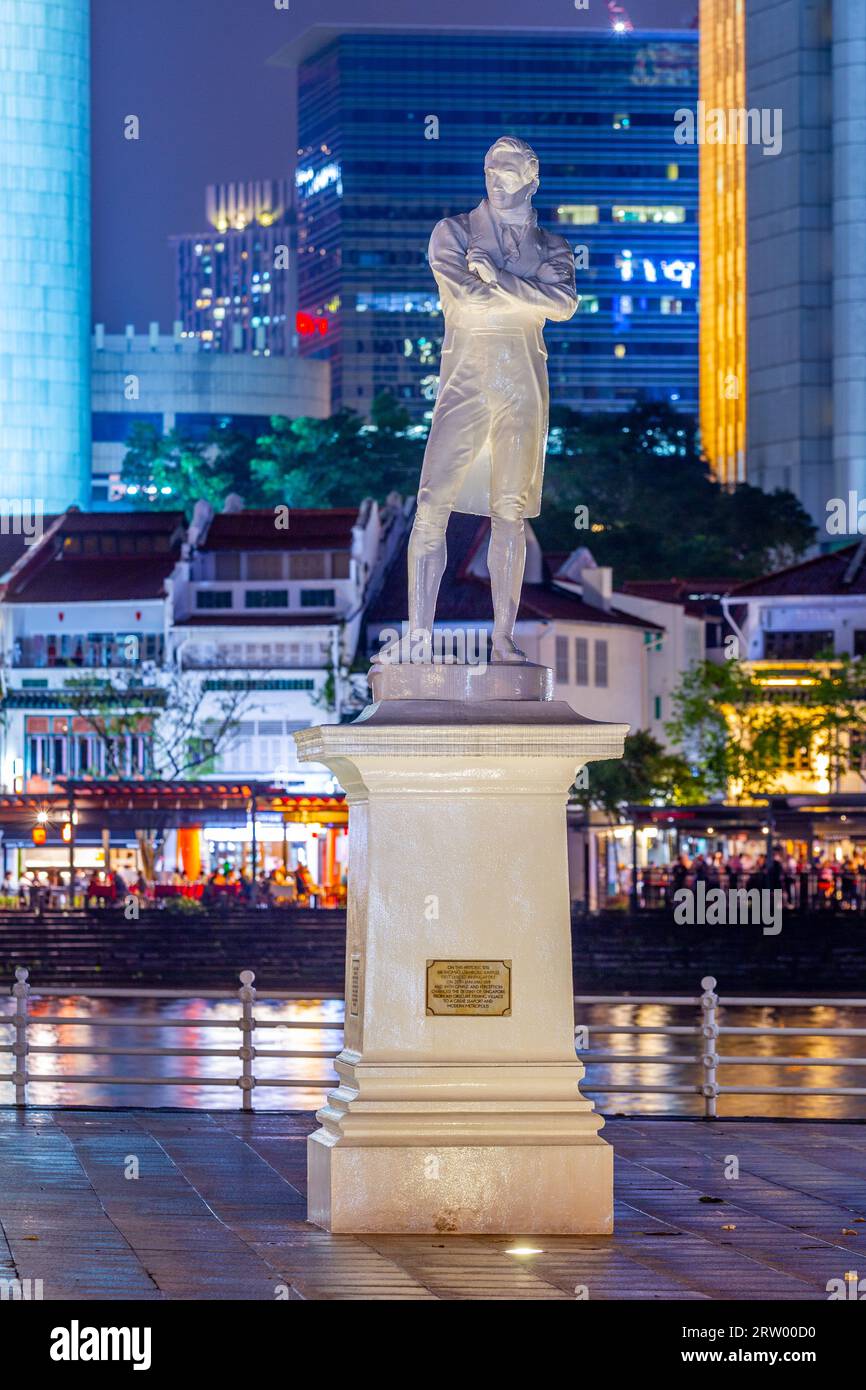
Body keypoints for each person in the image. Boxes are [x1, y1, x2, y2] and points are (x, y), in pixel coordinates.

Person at [374, 136, 578, 666]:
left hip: (523, 386)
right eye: (490, 167)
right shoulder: (454, 232)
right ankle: (418, 636)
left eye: (507, 169)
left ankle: (503, 640)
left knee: (510, 511)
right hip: (465, 381)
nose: (496, 177)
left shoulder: (553, 245)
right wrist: (515, 292)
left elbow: (563, 305)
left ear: (531, 177)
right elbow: (470, 298)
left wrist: (502, 278)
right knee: (431, 502)